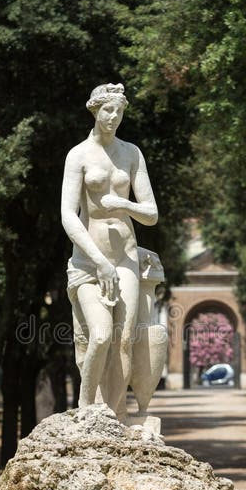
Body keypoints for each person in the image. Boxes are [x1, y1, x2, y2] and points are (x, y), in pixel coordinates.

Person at [61, 83, 159, 417]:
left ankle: (114, 419)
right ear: (95, 110)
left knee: (125, 342)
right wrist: (99, 261)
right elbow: (67, 215)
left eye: (119, 112)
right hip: (90, 261)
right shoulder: (78, 155)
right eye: (108, 110)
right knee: (100, 337)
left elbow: (151, 213)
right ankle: (86, 409)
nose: (114, 117)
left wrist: (121, 203)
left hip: (126, 258)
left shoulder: (131, 153)